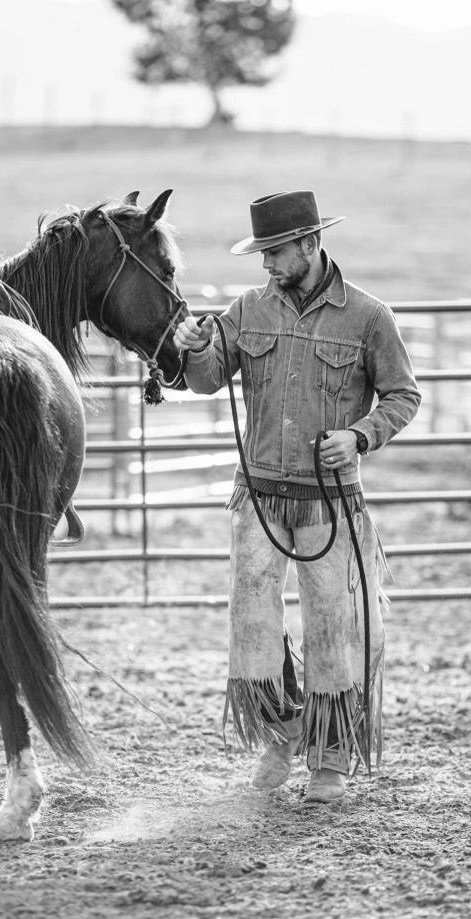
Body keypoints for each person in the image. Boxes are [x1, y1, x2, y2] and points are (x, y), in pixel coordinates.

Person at [174, 190, 421, 802]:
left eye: (276, 251)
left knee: (334, 624)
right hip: (258, 496)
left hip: (329, 499)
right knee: (252, 622)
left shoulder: (368, 317)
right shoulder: (247, 308)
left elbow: (403, 396)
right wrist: (197, 349)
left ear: (310, 243)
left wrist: (359, 436)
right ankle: (282, 729)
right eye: (262, 253)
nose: (266, 263)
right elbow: (207, 382)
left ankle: (331, 755)